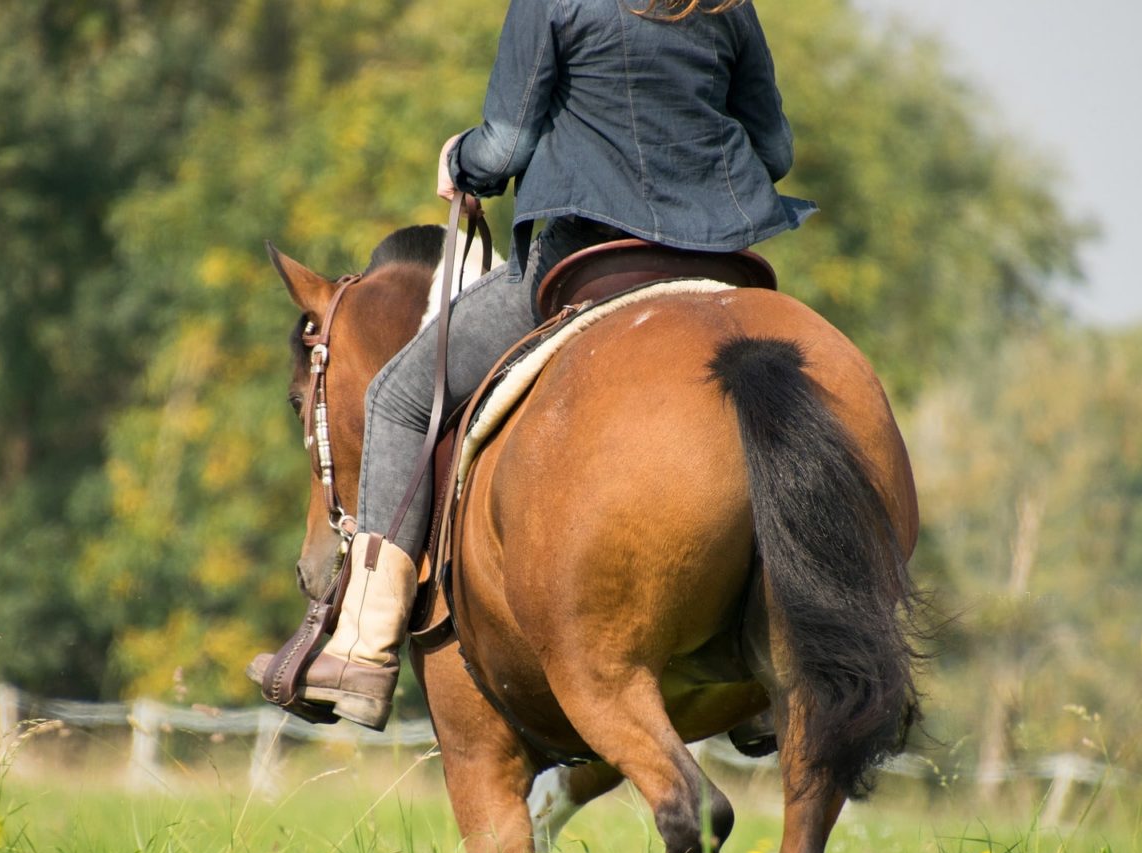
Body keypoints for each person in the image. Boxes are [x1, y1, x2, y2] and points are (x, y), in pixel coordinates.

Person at [249, 0, 816, 729]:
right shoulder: (727, 4)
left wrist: (459, 159)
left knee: (398, 398)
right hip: (722, 264)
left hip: (590, 257)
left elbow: (507, 145)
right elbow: (774, 151)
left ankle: (362, 649)